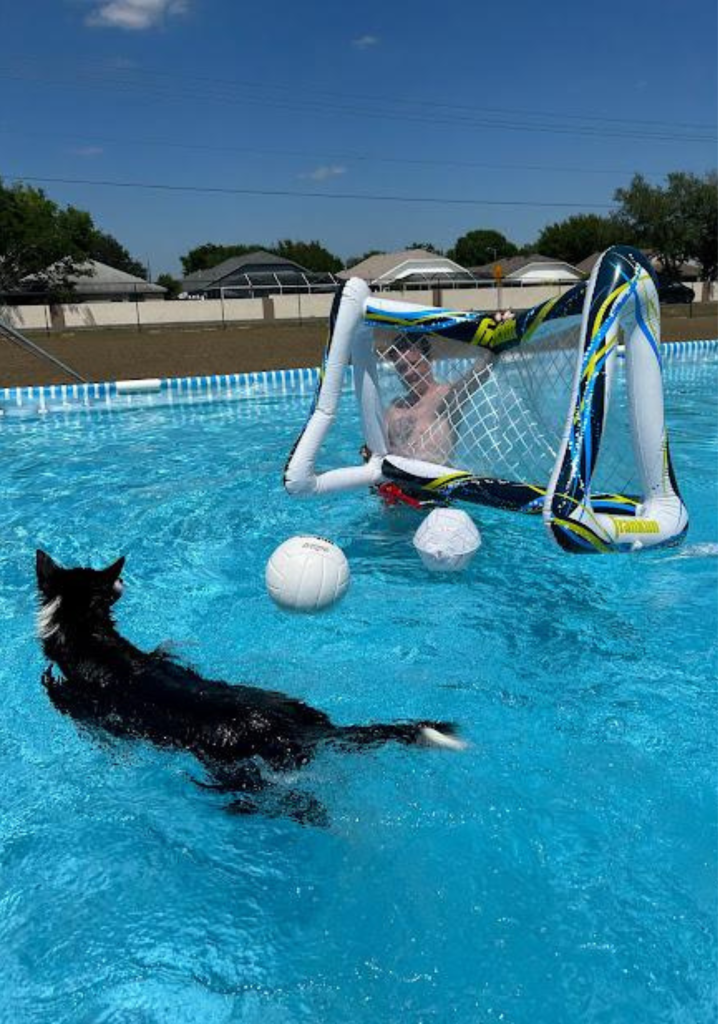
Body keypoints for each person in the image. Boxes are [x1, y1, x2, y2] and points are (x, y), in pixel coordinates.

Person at [384, 312, 514, 465]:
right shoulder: (395, 408)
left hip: (435, 482)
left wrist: (495, 342)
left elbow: (477, 375)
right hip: (400, 483)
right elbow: (379, 451)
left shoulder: (447, 396)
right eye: (402, 368)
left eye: (414, 364)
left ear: (429, 360)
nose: (409, 373)